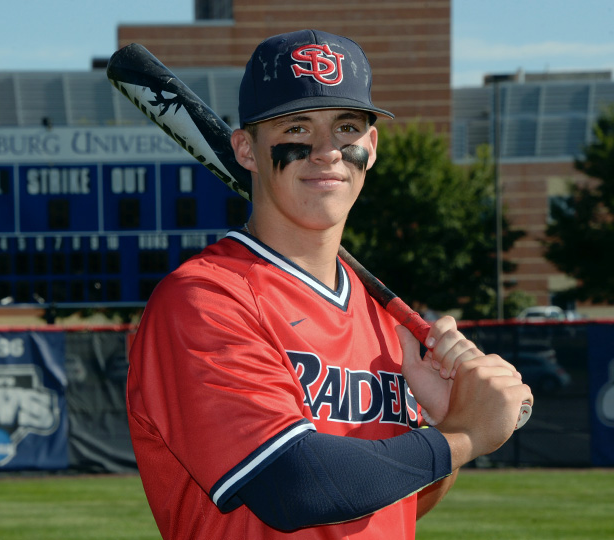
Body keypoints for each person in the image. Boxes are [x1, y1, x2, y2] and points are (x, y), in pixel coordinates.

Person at [126, 29, 533, 539]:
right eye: (297, 127)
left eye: (346, 127)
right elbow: (294, 485)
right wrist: (465, 434)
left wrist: (444, 419)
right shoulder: (205, 301)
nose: (327, 151)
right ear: (245, 150)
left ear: (372, 145)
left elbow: (387, 507)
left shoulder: (385, 325)